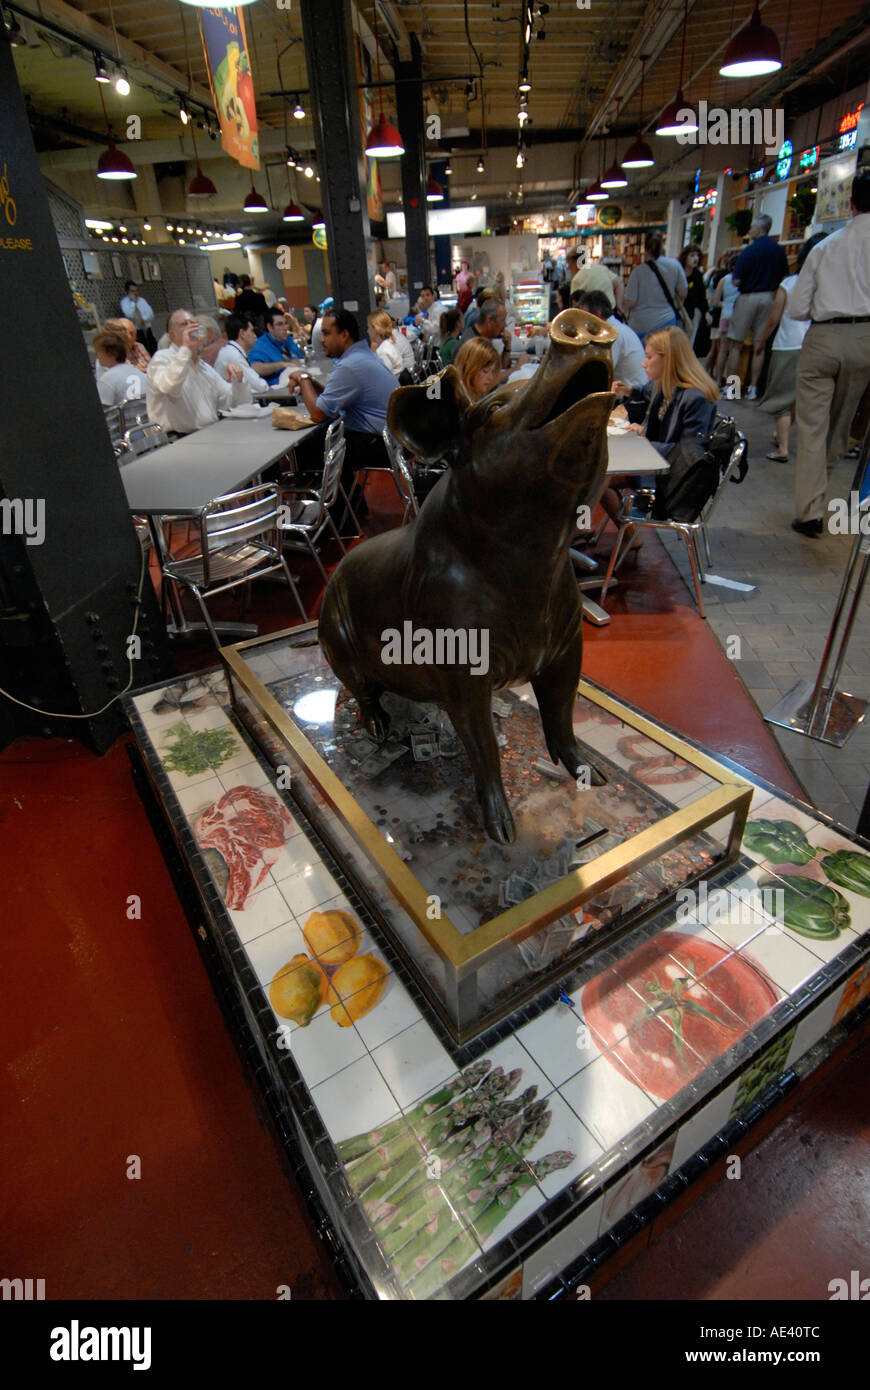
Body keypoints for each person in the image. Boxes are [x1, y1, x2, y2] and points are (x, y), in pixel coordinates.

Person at [789, 170, 870, 536]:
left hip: (822, 338)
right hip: (865, 340)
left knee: (811, 428)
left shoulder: (824, 248)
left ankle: (810, 511)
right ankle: (822, 497)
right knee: (841, 426)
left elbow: (796, 308)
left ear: (850, 203)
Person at [284, 309, 397, 515]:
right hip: (390, 438)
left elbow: (318, 413)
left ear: (344, 335)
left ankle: (331, 514)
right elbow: (330, 398)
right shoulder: (362, 355)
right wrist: (312, 384)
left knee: (310, 447)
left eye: (327, 333)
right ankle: (350, 506)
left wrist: (303, 378)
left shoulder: (350, 366)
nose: (322, 339)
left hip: (380, 444)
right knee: (324, 440)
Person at [755, 234, 827, 462]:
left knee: (781, 401)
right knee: (799, 397)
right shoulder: (825, 284)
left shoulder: (788, 284)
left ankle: (782, 448)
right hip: (815, 346)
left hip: (787, 345)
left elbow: (773, 319)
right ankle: (786, 439)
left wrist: (761, 340)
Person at [146, 308, 249, 436]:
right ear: (172, 335)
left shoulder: (203, 367)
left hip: (209, 434)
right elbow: (170, 388)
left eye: (194, 323)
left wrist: (237, 380)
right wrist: (185, 349)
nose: (191, 327)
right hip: (176, 439)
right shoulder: (162, 358)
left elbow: (232, 402)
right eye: (184, 324)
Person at [723, 214, 789, 399]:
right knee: (759, 345)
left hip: (747, 298)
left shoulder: (749, 251)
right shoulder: (778, 251)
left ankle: (733, 389)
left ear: (758, 229)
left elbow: (736, 280)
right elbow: (784, 276)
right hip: (769, 298)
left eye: (752, 227)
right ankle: (753, 389)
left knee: (736, 344)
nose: (750, 230)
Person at [573, 290, 646, 389]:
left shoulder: (613, 334)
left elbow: (601, 374)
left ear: (597, 315)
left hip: (630, 397)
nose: (583, 323)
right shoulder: (618, 329)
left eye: (585, 317)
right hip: (629, 392)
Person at [624, 232, 688, 344]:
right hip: (667, 322)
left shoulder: (638, 272)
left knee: (645, 358)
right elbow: (683, 293)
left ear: (645, 248)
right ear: (663, 245)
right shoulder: (675, 265)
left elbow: (630, 302)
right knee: (665, 358)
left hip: (641, 324)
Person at [92, 330, 147, 408]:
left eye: (98, 351)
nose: (96, 355)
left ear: (110, 353)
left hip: (123, 419)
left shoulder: (107, 379)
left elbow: (102, 411)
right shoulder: (136, 371)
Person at [215, 313, 267, 395]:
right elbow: (259, 386)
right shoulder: (233, 355)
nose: (255, 336)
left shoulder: (231, 350)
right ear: (242, 333)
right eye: (252, 331)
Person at [249, 306, 304, 381]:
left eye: (285, 323)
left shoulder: (287, 339)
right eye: (280, 324)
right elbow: (255, 368)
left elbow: (300, 359)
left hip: (297, 381)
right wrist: (282, 364)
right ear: (270, 327)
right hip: (277, 389)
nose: (285, 328)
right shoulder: (260, 345)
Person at [708, 259, 740, 387]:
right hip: (739, 316)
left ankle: (718, 380)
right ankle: (732, 386)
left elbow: (714, 302)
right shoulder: (745, 281)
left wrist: (725, 304)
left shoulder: (724, 280)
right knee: (735, 350)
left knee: (722, 350)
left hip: (724, 315)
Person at [678, 246, 711, 359]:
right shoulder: (679, 273)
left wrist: (706, 312)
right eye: (692, 255)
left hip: (692, 314)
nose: (695, 259)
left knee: (688, 342)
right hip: (679, 312)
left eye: (697, 255)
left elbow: (702, 297)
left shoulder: (697, 276)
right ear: (685, 257)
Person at [119, 281, 157, 353]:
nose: (135, 293)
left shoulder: (142, 300)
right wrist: (133, 303)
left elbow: (151, 314)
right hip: (136, 331)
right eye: (132, 291)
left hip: (146, 328)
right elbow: (129, 315)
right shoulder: (124, 302)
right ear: (127, 292)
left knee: (153, 350)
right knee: (141, 351)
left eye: (136, 291)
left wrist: (143, 319)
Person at [367, 310, 405, 376]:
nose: (367, 331)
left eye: (369, 327)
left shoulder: (383, 351)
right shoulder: (388, 344)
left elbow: (383, 378)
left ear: (375, 329)